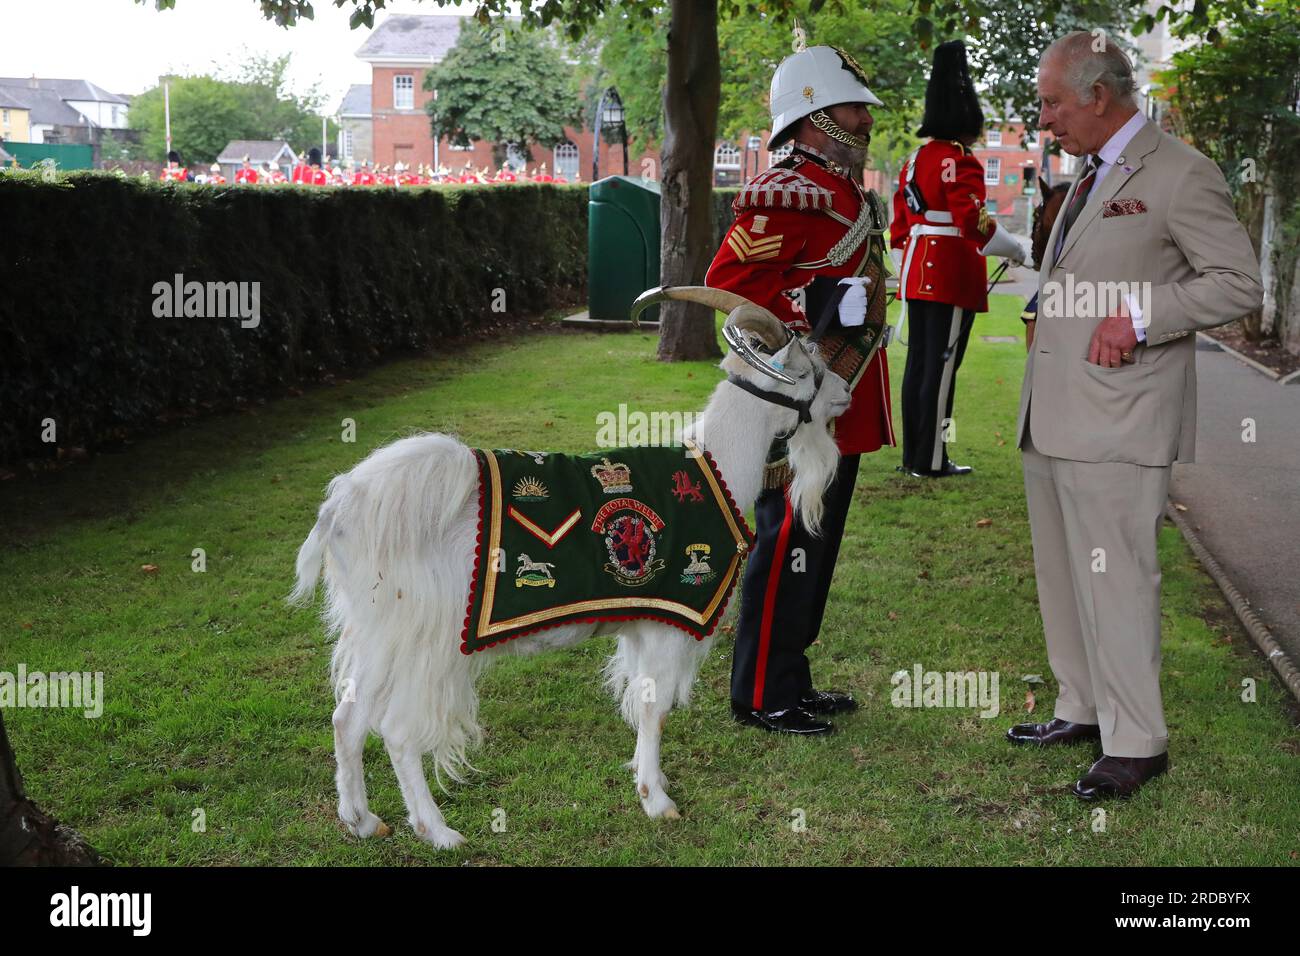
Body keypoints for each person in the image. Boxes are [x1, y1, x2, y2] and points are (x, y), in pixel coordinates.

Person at [1009, 32, 1263, 798]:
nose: (1044, 118)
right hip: (1053, 412)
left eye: (1053, 102)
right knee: (1063, 573)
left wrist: (1141, 317)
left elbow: (1238, 283)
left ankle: (1137, 739)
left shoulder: (1181, 172)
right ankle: (1082, 706)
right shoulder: (1090, 172)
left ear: (1097, 95)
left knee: (1117, 578)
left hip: (1119, 420)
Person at [706, 43, 894, 735]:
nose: (866, 120)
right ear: (816, 115)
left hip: (841, 397)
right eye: (853, 107)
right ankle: (760, 691)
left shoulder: (844, 190)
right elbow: (732, 287)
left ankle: (791, 675)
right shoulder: (789, 190)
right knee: (785, 539)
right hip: (802, 400)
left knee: (815, 540)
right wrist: (808, 319)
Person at [890, 41, 1031, 479]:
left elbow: (899, 226)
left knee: (918, 367)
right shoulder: (960, 159)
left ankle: (913, 455)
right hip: (950, 274)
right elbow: (973, 220)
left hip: (918, 271)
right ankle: (933, 460)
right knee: (943, 370)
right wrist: (1016, 248)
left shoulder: (915, 160)